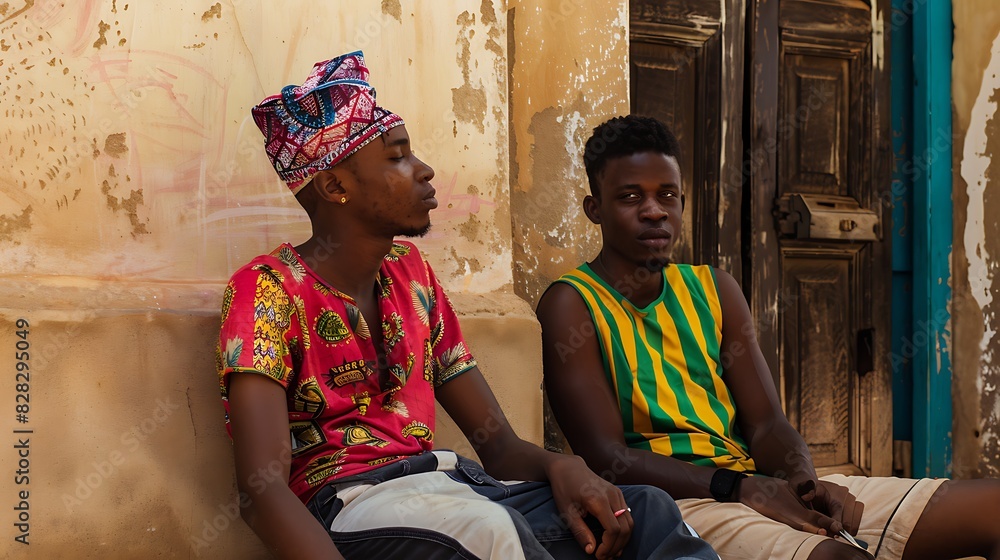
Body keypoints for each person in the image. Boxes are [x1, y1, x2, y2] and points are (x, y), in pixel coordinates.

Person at [215, 52, 717, 560]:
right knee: (488, 529)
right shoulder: (268, 290)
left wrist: (562, 467)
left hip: (456, 486)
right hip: (354, 504)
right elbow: (261, 492)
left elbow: (498, 446)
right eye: (397, 157)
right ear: (336, 186)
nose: (424, 170)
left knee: (644, 511)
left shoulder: (411, 276)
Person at [536, 114, 1000, 560]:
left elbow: (767, 424)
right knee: (839, 557)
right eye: (631, 197)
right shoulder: (571, 303)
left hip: (755, 483)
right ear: (594, 209)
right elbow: (605, 456)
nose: (654, 210)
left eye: (668, 195)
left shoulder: (712, 288)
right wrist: (738, 487)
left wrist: (803, 483)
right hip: (672, 503)